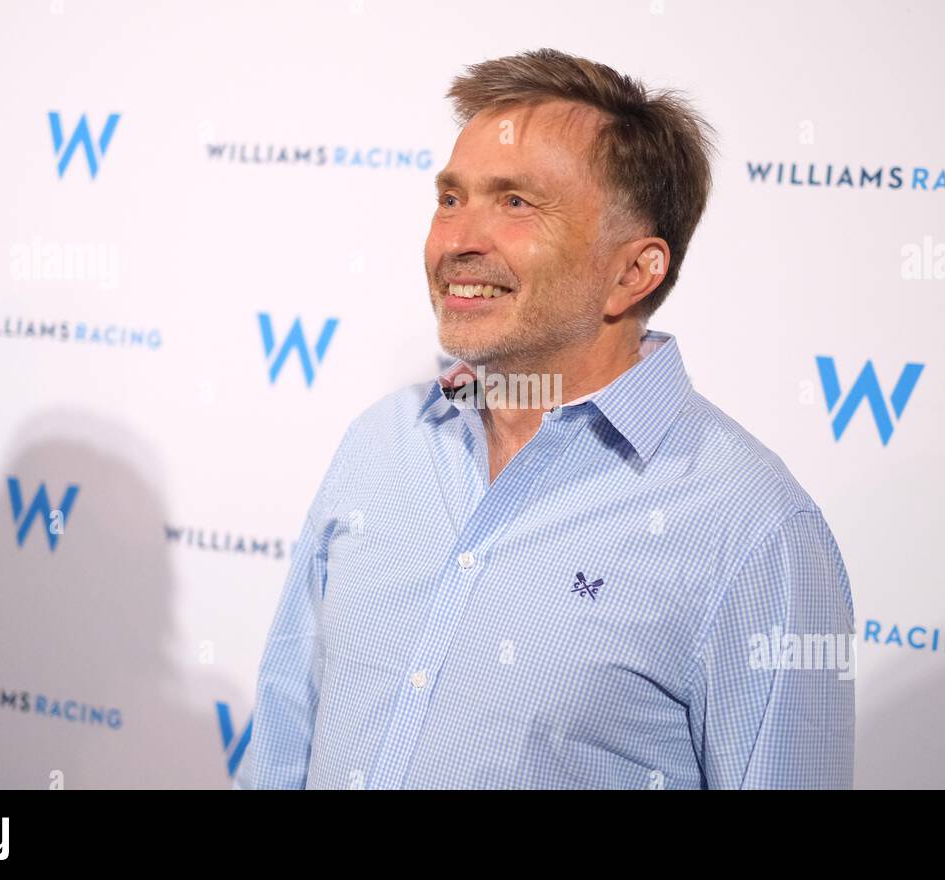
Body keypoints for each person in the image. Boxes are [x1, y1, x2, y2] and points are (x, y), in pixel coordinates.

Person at [235, 48, 855, 789]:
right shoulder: (381, 442)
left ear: (633, 271)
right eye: (451, 198)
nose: (458, 242)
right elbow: (282, 736)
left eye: (517, 203)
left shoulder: (752, 528)